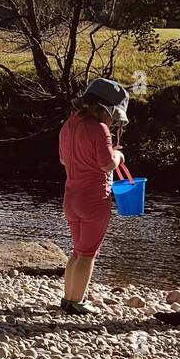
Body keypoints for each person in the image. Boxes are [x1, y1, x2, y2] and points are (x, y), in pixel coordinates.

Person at [57, 77, 130, 315]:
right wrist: (119, 157)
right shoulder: (100, 129)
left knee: (77, 250)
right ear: (106, 109)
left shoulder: (68, 126)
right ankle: (77, 302)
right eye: (114, 116)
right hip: (94, 199)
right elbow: (107, 164)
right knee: (88, 254)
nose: (114, 121)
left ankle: (67, 298)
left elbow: (62, 159)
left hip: (71, 196)